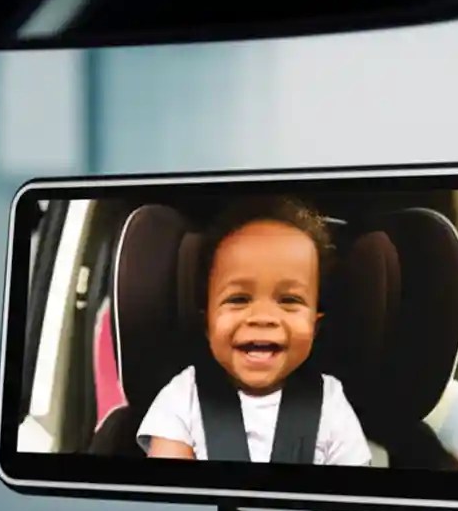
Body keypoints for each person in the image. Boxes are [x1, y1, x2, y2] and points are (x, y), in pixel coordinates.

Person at [136, 196, 372, 466]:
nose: (263, 318)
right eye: (238, 299)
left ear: (315, 326)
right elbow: (171, 502)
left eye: (289, 300)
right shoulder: (182, 397)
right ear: (207, 322)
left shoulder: (329, 402)